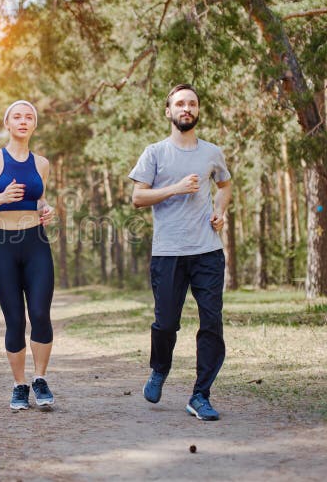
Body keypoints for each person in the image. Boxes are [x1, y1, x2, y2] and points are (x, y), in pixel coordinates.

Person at [128, 83, 232, 421]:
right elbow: (137, 197)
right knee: (166, 323)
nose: (186, 108)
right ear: (168, 111)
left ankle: (200, 395)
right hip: (168, 252)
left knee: (212, 323)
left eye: (192, 104)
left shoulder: (212, 152)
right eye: (180, 104)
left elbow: (225, 186)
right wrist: (175, 188)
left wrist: (220, 211)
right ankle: (159, 368)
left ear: (198, 111)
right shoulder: (155, 152)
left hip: (207, 251)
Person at [0, 100, 56, 411]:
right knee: (15, 320)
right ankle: (20, 385)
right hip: (3, 247)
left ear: (34, 125)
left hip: (36, 243)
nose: (23, 121)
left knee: (40, 314)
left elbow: (40, 198)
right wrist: (1, 197)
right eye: (17, 116)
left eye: (29, 117)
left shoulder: (42, 163)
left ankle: (40, 379)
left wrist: (46, 210)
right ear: (7, 124)